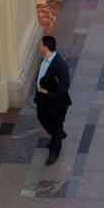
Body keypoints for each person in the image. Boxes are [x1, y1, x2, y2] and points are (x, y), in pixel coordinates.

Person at [35, 35, 71, 167]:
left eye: (41, 44)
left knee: (56, 125)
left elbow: (65, 85)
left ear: (45, 47)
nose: (39, 46)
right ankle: (58, 134)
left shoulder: (60, 64)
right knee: (41, 117)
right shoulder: (44, 60)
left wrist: (49, 93)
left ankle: (54, 153)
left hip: (55, 102)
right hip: (42, 99)